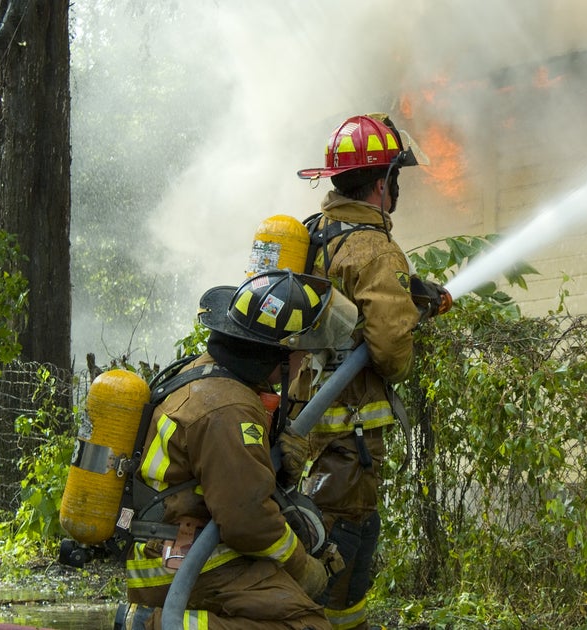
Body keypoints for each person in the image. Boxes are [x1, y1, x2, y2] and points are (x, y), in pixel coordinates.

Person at [123, 270, 356, 630]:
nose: (301, 363)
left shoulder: (206, 374)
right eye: (297, 353)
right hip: (186, 560)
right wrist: (300, 565)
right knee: (305, 625)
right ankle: (151, 625)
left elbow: (223, 478)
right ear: (274, 356)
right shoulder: (227, 409)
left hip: (177, 547)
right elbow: (246, 518)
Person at [281, 113, 432, 630]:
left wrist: (412, 296)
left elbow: (342, 309)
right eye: (395, 177)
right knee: (345, 542)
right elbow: (389, 346)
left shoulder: (315, 234)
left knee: (312, 528)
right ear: (379, 184)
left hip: (304, 419)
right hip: (349, 432)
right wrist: (403, 335)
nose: (397, 188)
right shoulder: (373, 246)